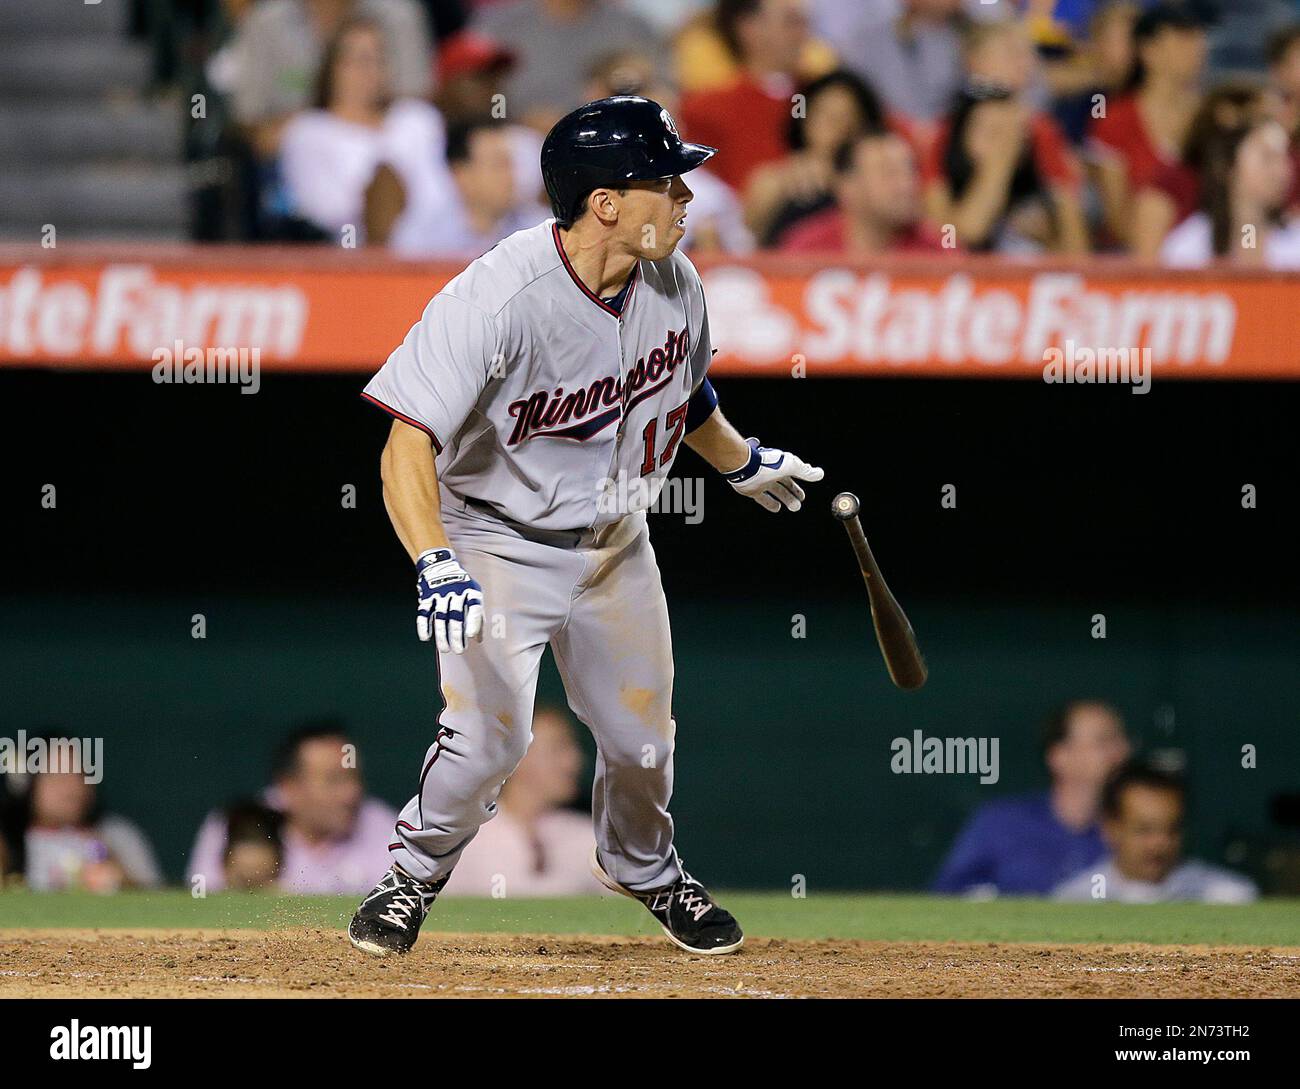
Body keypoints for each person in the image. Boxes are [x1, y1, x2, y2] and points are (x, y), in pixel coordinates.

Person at [348, 95, 824, 958]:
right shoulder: (500, 296)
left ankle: (646, 869)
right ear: (605, 202)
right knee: (490, 741)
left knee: (643, 741)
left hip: (614, 542)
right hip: (497, 537)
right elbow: (405, 440)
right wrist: (435, 560)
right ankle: (409, 878)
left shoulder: (676, 280)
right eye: (666, 182)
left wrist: (741, 462)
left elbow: (687, 394)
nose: (687, 198)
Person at [279, 18, 457, 248]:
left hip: (439, 247)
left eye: (379, 59)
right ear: (333, 66)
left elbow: (444, 192)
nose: (370, 70)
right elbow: (323, 212)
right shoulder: (307, 132)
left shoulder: (418, 118)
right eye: (361, 59)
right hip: (353, 252)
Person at [924, 19, 1089, 254]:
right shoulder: (944, 132)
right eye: (1011, 52)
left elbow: (1073, 234)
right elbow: (948, 236)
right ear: (973, 62)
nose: (1025, 62)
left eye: (1028, 54)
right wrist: (1001, 160)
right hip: (959, 270)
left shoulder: (1042, 131)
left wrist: (1049, 237)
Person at [933, 700, 1131, 896]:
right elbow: (946, 898)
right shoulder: (1001, 823)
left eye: (1120, 741)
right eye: (1104, 741)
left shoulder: (1137, 832)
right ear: (1059, 755)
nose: (1121, 752)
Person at [187, 722, 397, 894]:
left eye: (354, 777)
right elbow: (199, 895)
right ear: (288, 787)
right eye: (334, 780)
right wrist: (238, 888)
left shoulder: (386, 827)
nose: (351, 793)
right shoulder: (240, 822)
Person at [225, 0, 433, 160]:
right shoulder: (263, 23)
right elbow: (250, 125)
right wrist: (321, 128)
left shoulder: (399, 16)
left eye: (371, 59)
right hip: (287, 176)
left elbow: (416, 108)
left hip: (385, 159)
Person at [442, 706, 607, 896]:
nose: (573, 761)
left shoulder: (587, 837)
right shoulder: (464, 840)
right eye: (558, 748)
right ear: (516, 755)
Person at [1087, 3, 1207, 248]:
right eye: (1183, 41)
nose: (1196, 50)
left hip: (1205, 249)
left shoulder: (1210, 116)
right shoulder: (1114, 120)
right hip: (1139, 251)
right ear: (1149, 51)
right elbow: (1117, 218)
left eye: (1198, 41)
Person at [1053, 763, 1258, 903]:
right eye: (1144, 830)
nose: (1160, 843)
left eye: (1172, 829)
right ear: (1111, 828)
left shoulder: (1229, 897)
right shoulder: (1075, 899)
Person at [678, 0, 817, 193]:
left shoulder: (826, 96)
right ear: (750, 28)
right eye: (791, 22)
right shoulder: (707, 109)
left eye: (804, 23)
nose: (803, 35)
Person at [743, 69, 890, 247]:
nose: (836, 127)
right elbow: (748, 237)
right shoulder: (772, 179)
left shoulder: (878, 184)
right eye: (825, 115)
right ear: (805, 120)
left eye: (847, 117)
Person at [473, 0, 666, 131]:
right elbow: (481, 97)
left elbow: (662, 96)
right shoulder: (500, 26)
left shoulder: (631, 28)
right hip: (520, 145)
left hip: (609, 140)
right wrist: (517, 119)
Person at [396, 117, 548, 257]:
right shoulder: (421, 240)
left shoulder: (543, 231)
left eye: (511, 165)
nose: (510, 176)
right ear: (462, 175)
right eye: (498, 166)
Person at [1161, 118, 1300, 268]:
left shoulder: (1293, 239)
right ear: (1229, 167)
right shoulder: (1188, 245)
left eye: (1285, 158)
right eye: (1268, 158)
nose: (1283, 172)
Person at [779, 129, 947, 253]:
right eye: (889, 172)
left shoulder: (939, 252)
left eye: (911, 170)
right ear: (847, 186)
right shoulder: (806, 249)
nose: (907, 184)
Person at [20, 764, 162, 893]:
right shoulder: (9, 839)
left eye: (79, 774)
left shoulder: (116, 834)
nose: (72, 787)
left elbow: (155, 895)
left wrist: (121, 880)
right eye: (56, 775)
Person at [838, 0, 969, 126]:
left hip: (945, 138)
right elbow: (852, 97)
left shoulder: (966, 39)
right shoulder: (868, 41)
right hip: (882, 135)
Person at [221, 801, 285, 891]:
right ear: (225, 869)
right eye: (243, 879)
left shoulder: (291, 901)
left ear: (277, 871)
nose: (251, 890)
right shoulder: (206, 897)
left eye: (260, 878)